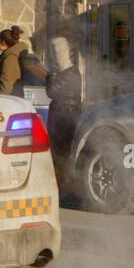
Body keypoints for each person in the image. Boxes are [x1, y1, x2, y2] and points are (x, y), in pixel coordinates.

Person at [46, 36, 83, 189]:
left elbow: (51, 91)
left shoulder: (69, 74)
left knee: (61, 154)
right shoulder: (69, 73)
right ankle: (62, 184)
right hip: (63, 116)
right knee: (59, 153)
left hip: (65, 118)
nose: (53, 56)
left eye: (56, 52)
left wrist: (51, 74)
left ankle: (64, 185)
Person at [0, 28, 27, 96]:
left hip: (9, 101)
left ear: (3, 42)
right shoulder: (15, 54)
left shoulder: (10, 58)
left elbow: (6, 86)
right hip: (15, 98)